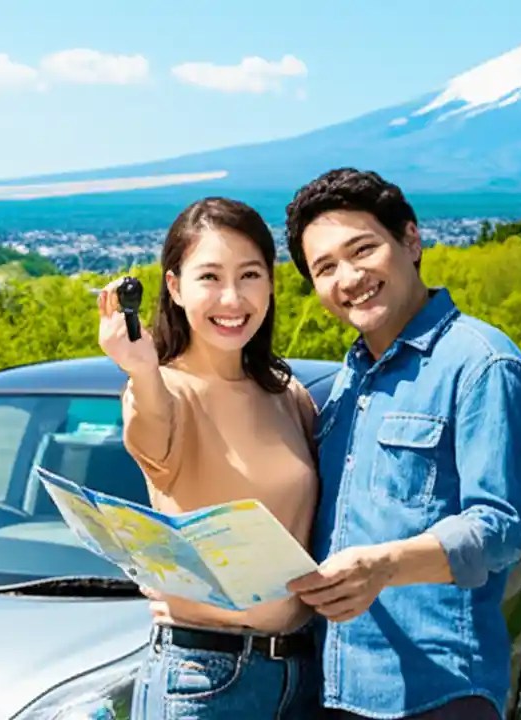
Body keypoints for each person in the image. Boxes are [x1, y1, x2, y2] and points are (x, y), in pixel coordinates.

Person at [282, 168, 521, 719]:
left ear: (410, 240)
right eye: (325, 267)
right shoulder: (348, 380)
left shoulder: (483, 364)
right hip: (335, 689)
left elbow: (498, 530)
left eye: (363, 250)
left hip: (439, 693)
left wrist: (385, 565)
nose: (349, 277)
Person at [96, 196, 322, 719]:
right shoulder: (165, 391)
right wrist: (141, 371)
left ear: (271, 283)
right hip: (206, 680)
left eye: (250, 275)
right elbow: (150, 436)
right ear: (174, 287)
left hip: (302, 674)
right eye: (210, 277)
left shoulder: (287, 394)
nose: (232, 298)